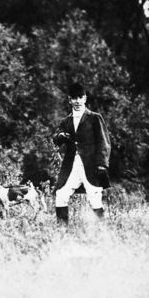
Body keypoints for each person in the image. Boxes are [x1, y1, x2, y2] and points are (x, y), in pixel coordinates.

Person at [52, 83, 111, 222]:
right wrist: (60, 136)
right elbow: (56, 138)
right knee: (61, 194)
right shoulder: (66, 121)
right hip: (72, 165)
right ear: (69, 100)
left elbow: (104, 142)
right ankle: (62, 231)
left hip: (90, 165)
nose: (77, 101)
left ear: (85, 98)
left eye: (80, 97)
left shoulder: (94, 118)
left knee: (94, 196)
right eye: (74, 98)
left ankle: (102, 229)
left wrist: (102, 164)